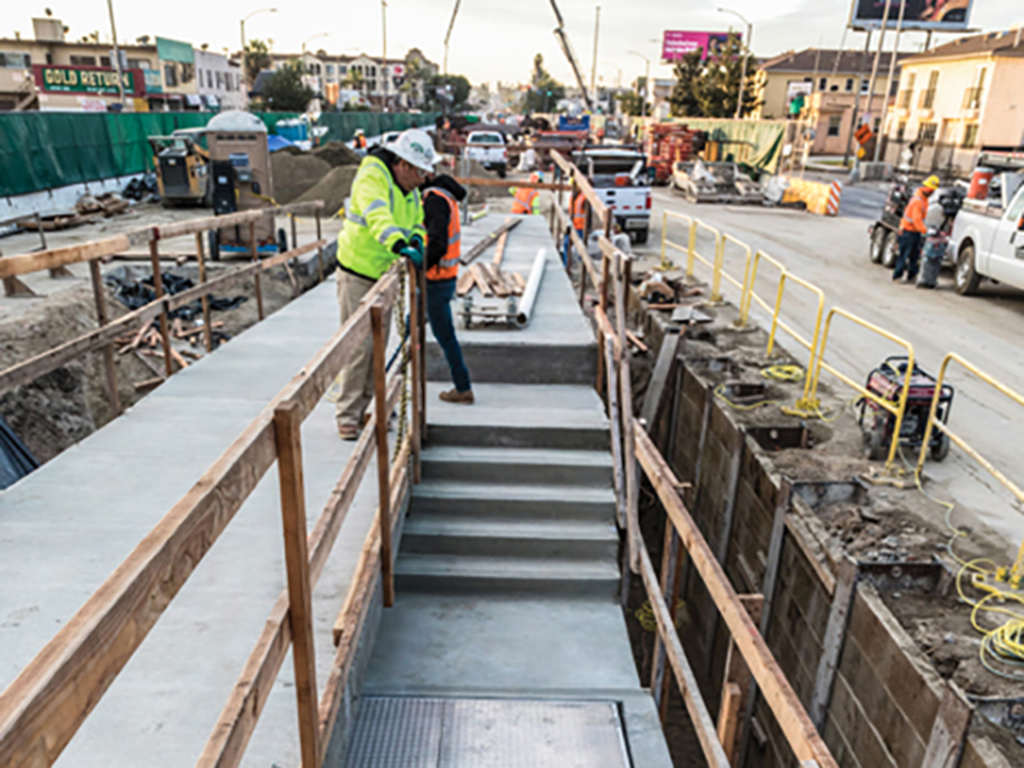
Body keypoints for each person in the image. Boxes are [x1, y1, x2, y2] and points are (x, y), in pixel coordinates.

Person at [334, 128, 438, 440]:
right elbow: (377, 215)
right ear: (403, 164)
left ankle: (374, 406)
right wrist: (397, 243)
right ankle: (349, 414)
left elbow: (416, 218)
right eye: (419, 171)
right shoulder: (372, 177)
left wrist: (418, 236)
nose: (422, 179)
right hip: (358, 272)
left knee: (378, 345)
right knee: (358, 347)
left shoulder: (409, 188)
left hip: (384, 274)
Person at [421, 173, 473, 404]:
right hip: (443, 278)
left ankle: (463, 387)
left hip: (435, 280)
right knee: (413, 324)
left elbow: (438, 244)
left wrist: (418, 265)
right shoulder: (445, 196)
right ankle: (394, 376)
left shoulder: (434, 200)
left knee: (445, 336)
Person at [893, 175, 939, 283]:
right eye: (932, 190)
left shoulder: (924, 199)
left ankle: (912, 275)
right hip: (908, 231)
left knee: (914, 256)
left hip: (914, 231)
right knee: (904, 255)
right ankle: (897, 276)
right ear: (928, 188)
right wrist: (925, 231)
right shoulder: (918, 201)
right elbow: (916, 219)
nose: (933, 192)